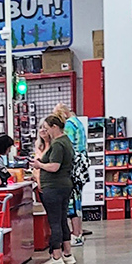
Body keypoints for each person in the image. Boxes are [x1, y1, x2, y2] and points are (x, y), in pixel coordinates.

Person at [30, 114, 75, 264]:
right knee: (62, 220)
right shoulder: (66, 141)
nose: (46, 131)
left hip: (54, 187)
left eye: (47, 128)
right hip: (65, 185)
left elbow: (54, 166)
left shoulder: (57, 144)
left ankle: (56, 256)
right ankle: (68, 253)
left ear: (54, 127)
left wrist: (39, 165)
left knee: (54, 221)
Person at [54, 103, 89, 246]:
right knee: (78, 200)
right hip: (82, 165)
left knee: (72, 202)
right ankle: (79, 232)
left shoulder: (68, 125)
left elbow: (67, 147)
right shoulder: (77, 122)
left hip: (73, 166)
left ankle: (75, 234)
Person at [33, 120, 51, 191]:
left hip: (49, 184)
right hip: (38, 183)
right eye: (40, 127)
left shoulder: (54, 145)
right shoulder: (38, 144)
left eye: (45, 128)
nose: (42, 130)